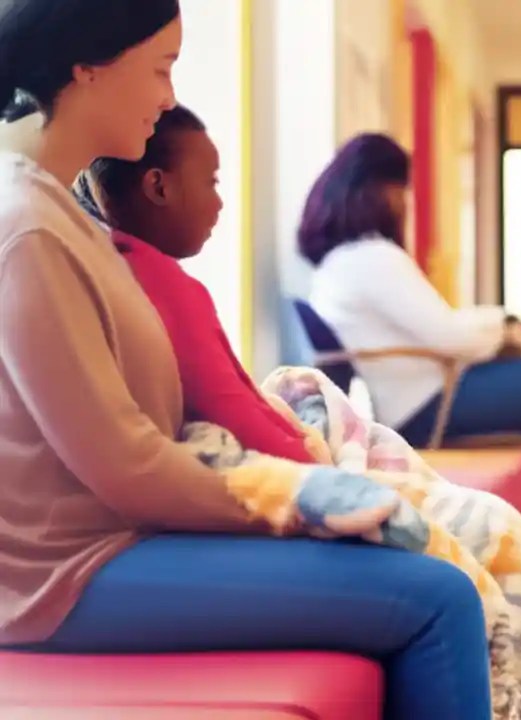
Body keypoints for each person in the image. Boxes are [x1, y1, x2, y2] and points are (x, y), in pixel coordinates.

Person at [0, 3, 491, 718]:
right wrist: (296, 500)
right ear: (89, 67)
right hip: (65, 576)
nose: (169, 95)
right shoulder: (30, 229)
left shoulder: (68, 215)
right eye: (160, 69)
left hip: (119, 541)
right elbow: (129, 466)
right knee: (438, 598)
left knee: (421, 573)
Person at [302, 133, 521, 539]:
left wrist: (488, 325)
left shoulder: (343, 263)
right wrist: (501, 327)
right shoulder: (373, 258)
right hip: (433, 408)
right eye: (401, 189)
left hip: (427, 399)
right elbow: (450, 336)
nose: (406, 202)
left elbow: (440, 326)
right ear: (376, 190)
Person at [74, 105, 319, 464]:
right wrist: (320, 472)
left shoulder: (108, 262)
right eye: (211, 182)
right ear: (158, 186)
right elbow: (232, 411)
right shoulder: (166, 286)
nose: (219, 203)